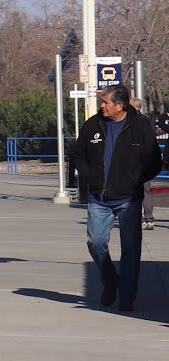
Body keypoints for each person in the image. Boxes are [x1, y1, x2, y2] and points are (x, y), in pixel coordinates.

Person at [68, 85, 164, 311]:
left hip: (128, 199)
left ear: (119, 105)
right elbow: (77, 154)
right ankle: (110, 279)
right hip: (98, 198)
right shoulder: (93, 124)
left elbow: (154, 161)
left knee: (130, 249)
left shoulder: (140, 125)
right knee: (95, 243)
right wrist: (90, 176)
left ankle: (126, 297)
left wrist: (135, 180)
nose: (102, 106)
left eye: (106, 102)